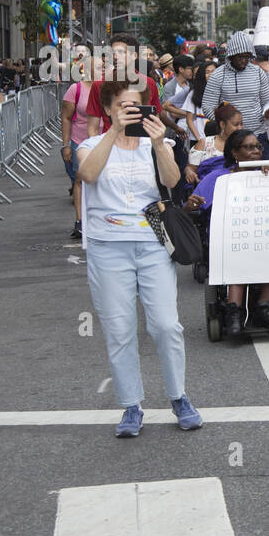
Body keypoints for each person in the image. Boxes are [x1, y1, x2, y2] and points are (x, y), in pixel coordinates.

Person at [76, 79, 201, 438]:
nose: (130, 112)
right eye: (122, 106)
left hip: (153, 242)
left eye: (137, 106)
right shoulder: (90, 145)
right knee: (119, 329)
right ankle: (131, 405)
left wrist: (160, 143)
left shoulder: (156, 144)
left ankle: (178, 397)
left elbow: (174, 180)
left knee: (165, 325)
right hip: (107, 245)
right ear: (108, 109)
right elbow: (87, 174)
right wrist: (114, 132)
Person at [185, 129, 269, 336]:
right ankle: (234, 311)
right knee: (235, 254)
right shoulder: (217, 178)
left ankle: (265, 306)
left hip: (263, 234)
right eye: (249, 147)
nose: (256, 152)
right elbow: (191, 209)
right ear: (235, 153)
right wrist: (191, 204)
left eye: (258, 147)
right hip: (231, 238)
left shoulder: (267, 174)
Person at [200, 30, 269, 159]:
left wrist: (267, 112)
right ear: (231, 56)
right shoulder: (218, 75)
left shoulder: (258, 72)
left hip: (258, 135)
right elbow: (207, 106)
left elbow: (267, 102)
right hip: (231, 139)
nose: (244, 60)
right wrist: (225, 125)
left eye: (247, 56)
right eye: (240, 57)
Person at [86, 35, 163, 137]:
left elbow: (155, 119)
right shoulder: (99, 85)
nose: (115, 57)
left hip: (142, 145)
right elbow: (92, 127)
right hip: (110, 146)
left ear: (134, 55)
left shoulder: (149, 83)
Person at [62, 69, 95, 239]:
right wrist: (66, 145)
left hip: (103, 140)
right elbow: (66, 117)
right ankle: (80, 221)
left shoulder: (108, 88)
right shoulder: (76, 89)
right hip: (79, 140)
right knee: (79, 180)